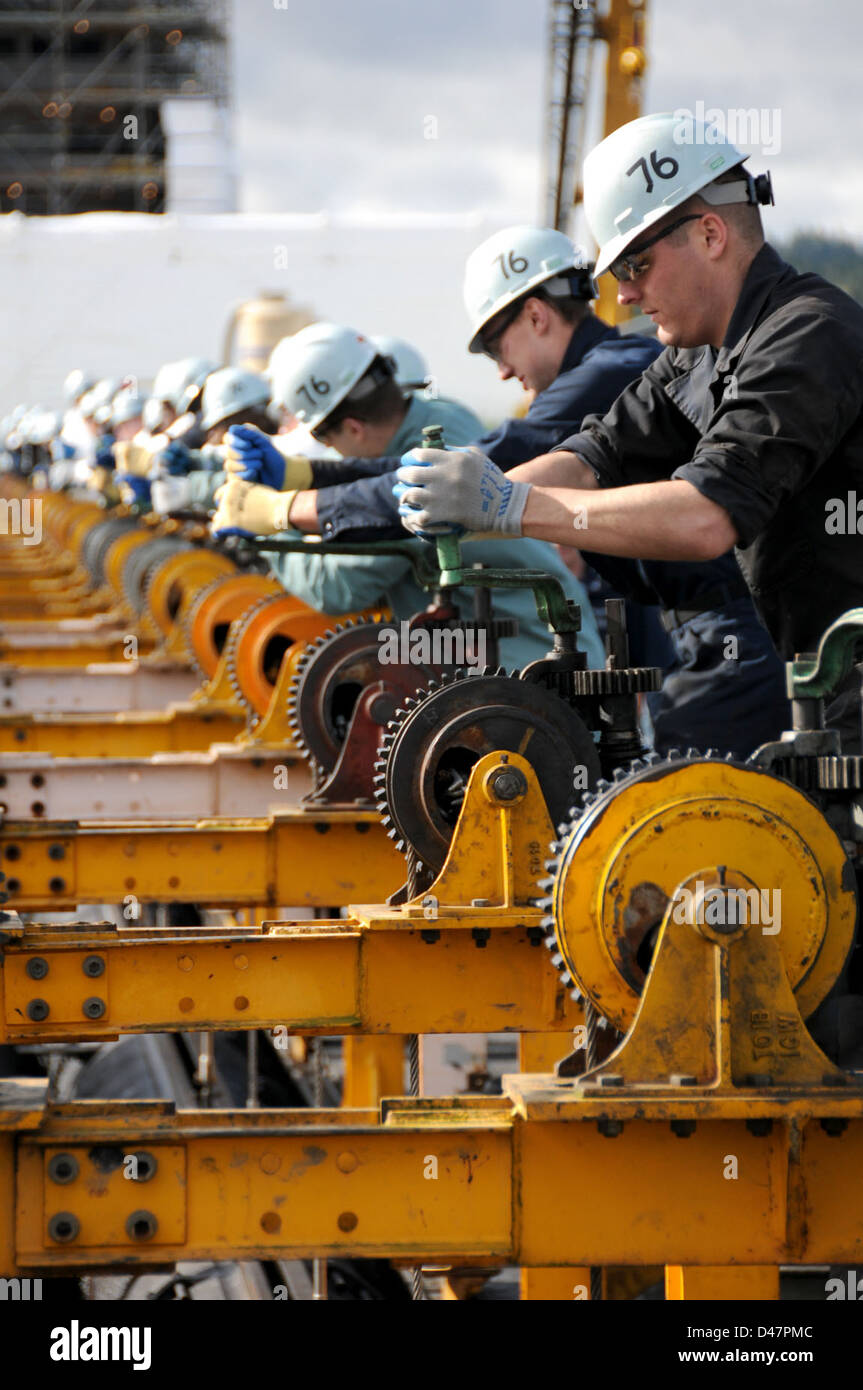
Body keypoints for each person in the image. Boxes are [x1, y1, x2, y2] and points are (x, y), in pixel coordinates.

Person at [228, 227, 790, 756]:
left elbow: (452, 485)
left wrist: (288, 508)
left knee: (684, 828)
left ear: (537, 316)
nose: (500, 373)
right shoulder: (614, 371)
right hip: (698, 634)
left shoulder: (598, 383)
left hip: (728, 638)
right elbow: (430, 475)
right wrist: (306, 478)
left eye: (497, 349)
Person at [210, 323, 604, 672]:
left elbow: (337, 587)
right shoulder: (437, 418)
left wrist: (269, 525)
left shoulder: (437, 447)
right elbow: (382, 477)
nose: (332, 453)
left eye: (326, 440)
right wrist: (295, 478)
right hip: (500, 669)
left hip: (536, 674)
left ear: (353, 427)